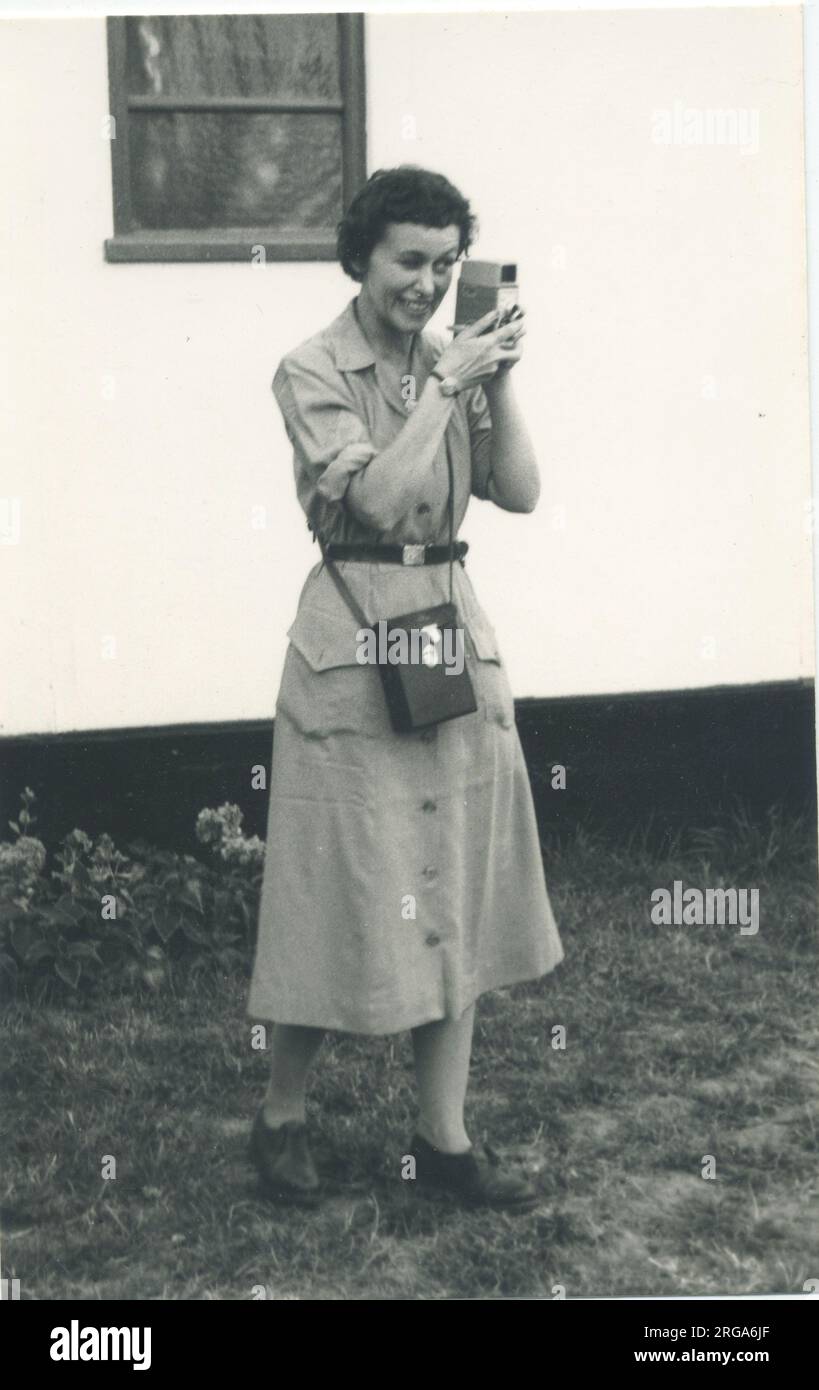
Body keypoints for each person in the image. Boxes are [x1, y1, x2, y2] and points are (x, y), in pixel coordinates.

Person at [247, 165, 564, 1211]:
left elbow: (516, 491)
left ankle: (443, 1135)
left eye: (445, 264)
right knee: (335, 885)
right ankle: (283, 1117)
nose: (428, 285)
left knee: (455, 882)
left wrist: (495, 377)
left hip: (447, 633)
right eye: (409, 262)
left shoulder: (449, 360)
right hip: (353, 642)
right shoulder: (311, 368)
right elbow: (379, 501)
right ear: (361, 258)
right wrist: (441, 389)